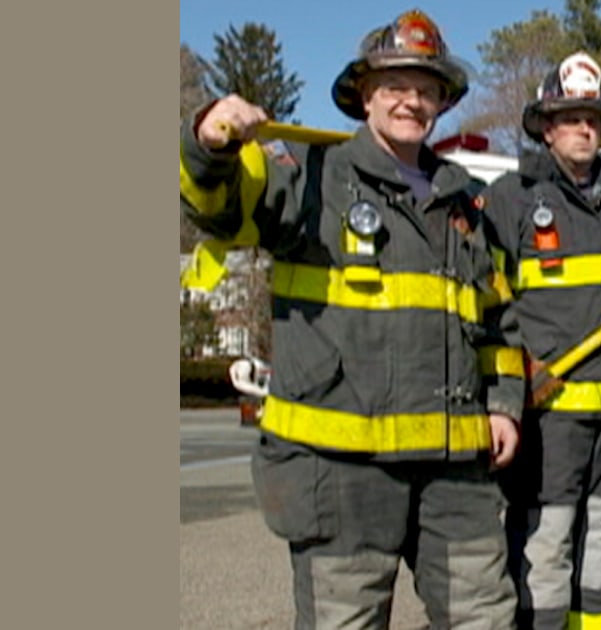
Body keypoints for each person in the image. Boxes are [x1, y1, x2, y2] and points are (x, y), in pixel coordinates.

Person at [178, 10, 523, 629]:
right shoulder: (309, 174)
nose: (411, 100)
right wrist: (208, 143)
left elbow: (498, 316)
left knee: (486, 619)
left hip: (455, 475)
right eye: (396, 85)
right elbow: (220, 211)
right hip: (339, 472)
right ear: (365, 95)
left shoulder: (466, 202)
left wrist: (503, 402)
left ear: (443, 102)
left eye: (426, 88)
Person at [481, 51, 601, 630]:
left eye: (593, 116)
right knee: (548, 544)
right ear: (546, 126)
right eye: (571, 116)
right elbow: (488, 302)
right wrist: (511, 380)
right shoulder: (512, 198)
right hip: (553, 412)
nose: (585, 127)